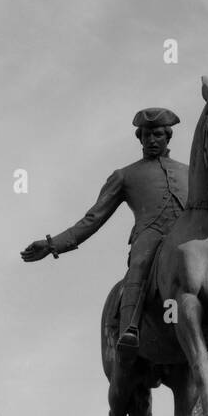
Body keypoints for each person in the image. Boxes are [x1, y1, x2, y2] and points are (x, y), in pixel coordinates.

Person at [21, 107, 188, 355]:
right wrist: (51, 244)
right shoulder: (125, 175)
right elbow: (93, 218)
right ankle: (129, 328)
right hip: (150, 234)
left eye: (158, 135)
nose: (152, 140)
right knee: (141, 261)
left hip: (185, 235)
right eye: (146, 135)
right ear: (140, 138)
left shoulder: (188, 171)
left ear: (168, 136)